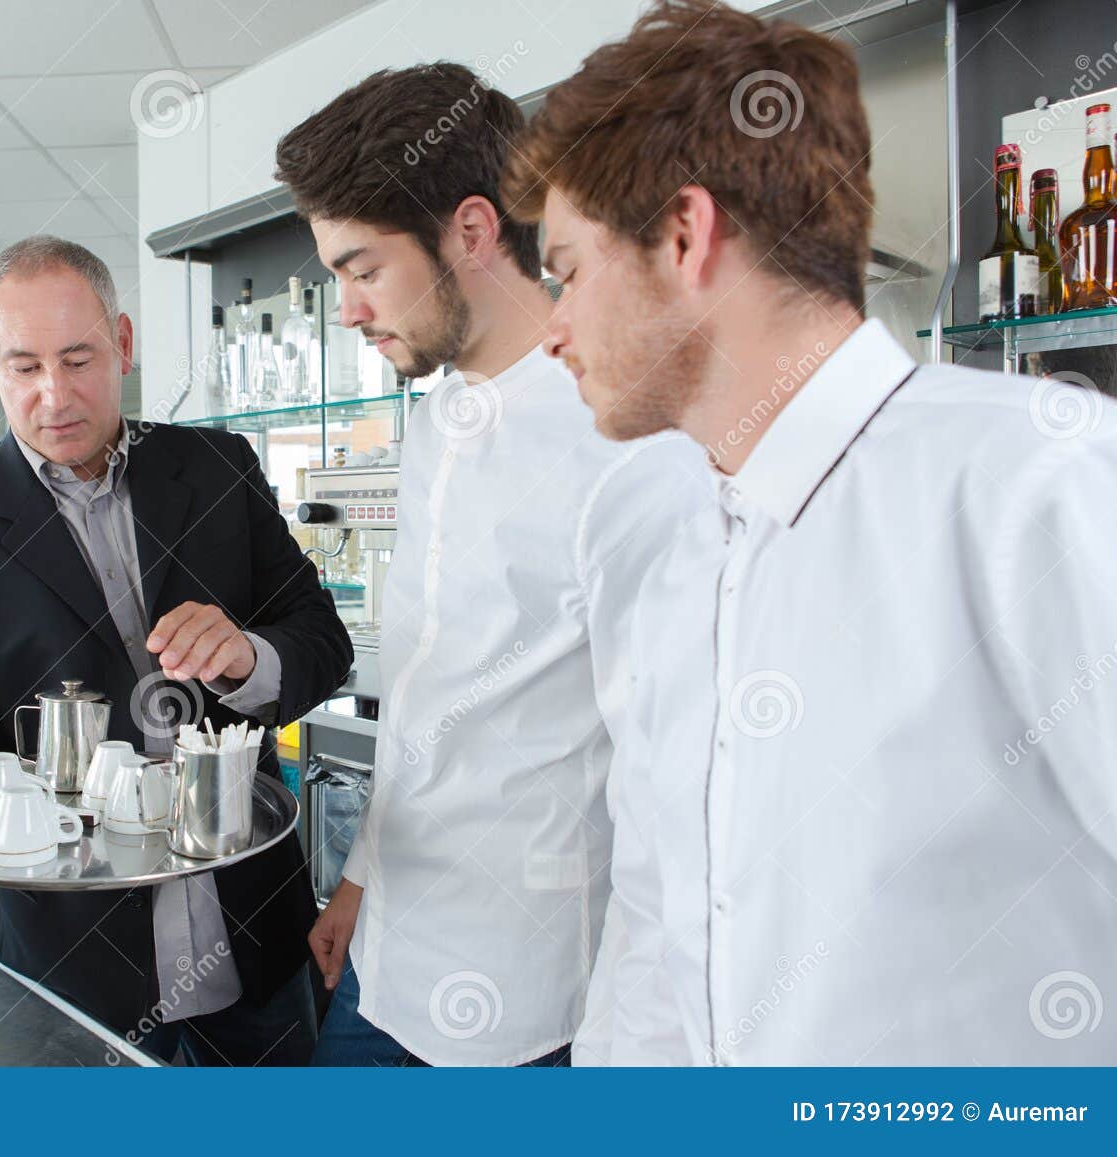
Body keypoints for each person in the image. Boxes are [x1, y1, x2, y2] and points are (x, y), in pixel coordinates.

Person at [506, 0, 1117, 1065]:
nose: (552, 328)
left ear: (684, 236)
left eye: (568, 270)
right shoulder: (654, 533)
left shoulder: (1040, 483)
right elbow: (655, 930)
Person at [274, 64, 708, 1067]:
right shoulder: (435, 422)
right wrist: (359, 878)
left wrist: (634, 1043)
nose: (346, 310)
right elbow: (423, 697)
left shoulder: (628, 441)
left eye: (362, 269)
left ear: (472, 231)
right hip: (386, 954)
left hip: (527, 998)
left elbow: (669, 780)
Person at [0, 236, 353, 1065]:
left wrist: (247, 656)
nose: (54, 394)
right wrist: (62, 806)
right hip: (70, 969)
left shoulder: (220, 468)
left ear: (123, 344)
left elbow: (323, 639)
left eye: (78, 359)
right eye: (24, 366)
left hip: (257, 938)